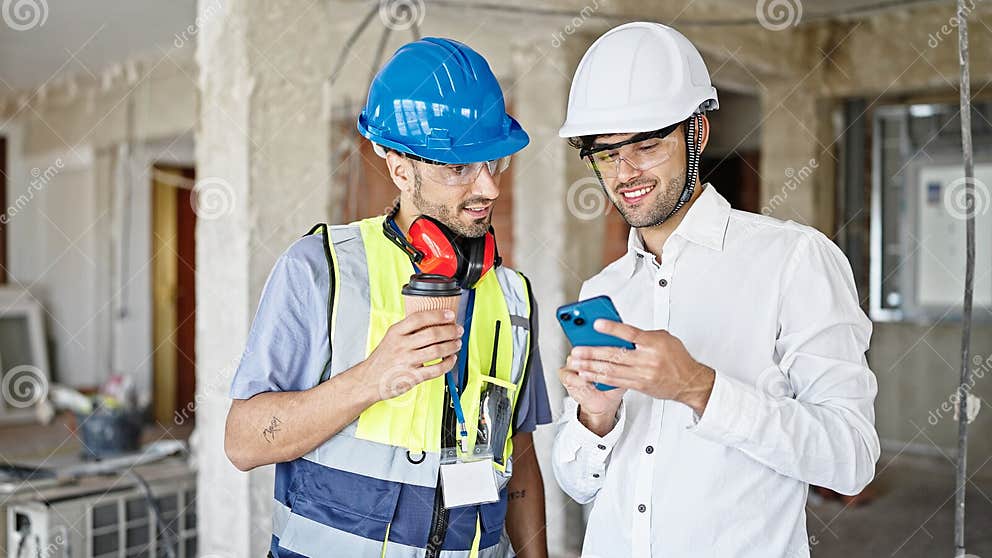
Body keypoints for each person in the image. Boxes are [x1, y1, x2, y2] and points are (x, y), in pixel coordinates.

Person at [551, 22, 879, 557]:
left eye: (647, 144)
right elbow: (579, 483)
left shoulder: (794, 260)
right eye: (605, 153)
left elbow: (850, 459)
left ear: (697, 133)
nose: (624, 171)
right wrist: (595, 418)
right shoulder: (605, 288)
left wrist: (700, 389)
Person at [225, 37, 552, 558]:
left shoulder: (513, 295)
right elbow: (243, 442)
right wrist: (371, 378)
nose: (488, 188)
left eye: (494, 162)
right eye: (458, 167)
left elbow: (521, 455)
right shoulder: (320, 270)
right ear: (401, 169)